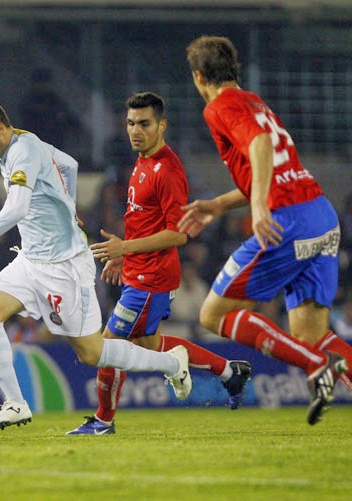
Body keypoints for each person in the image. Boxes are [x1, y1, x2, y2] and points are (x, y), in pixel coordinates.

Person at [180, 36, 352, 444]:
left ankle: (314, 366)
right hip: (321, 215)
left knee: (213, 315)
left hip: (286, 221)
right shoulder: (254, 102)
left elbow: (258, 146)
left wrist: (257, 208)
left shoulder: (219, 106)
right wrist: (219, 204)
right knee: (313, 334)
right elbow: (271, 166)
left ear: (199, 76)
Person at [0, 97, 192, 431]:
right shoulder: (21, 142)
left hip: (64, 266)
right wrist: (67, 205)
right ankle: (15, 403)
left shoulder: (23, 152)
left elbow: (15, 210)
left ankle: (171, 364)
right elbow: (69, 164)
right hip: (31, 258)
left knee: (91, 353)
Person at [67, 92, 252, 436]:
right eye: (131, 123)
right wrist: (125, 255)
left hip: (152, 280)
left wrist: (126, 248)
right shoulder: (141, 162)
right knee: (150, 346)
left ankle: (104, 421)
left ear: (162, 125)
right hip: (139, 271)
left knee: (106, 348)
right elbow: (144, 223)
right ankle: (229, 371)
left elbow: (178, 234)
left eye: (144, 123)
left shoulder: (167, 170)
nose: (136, 130)